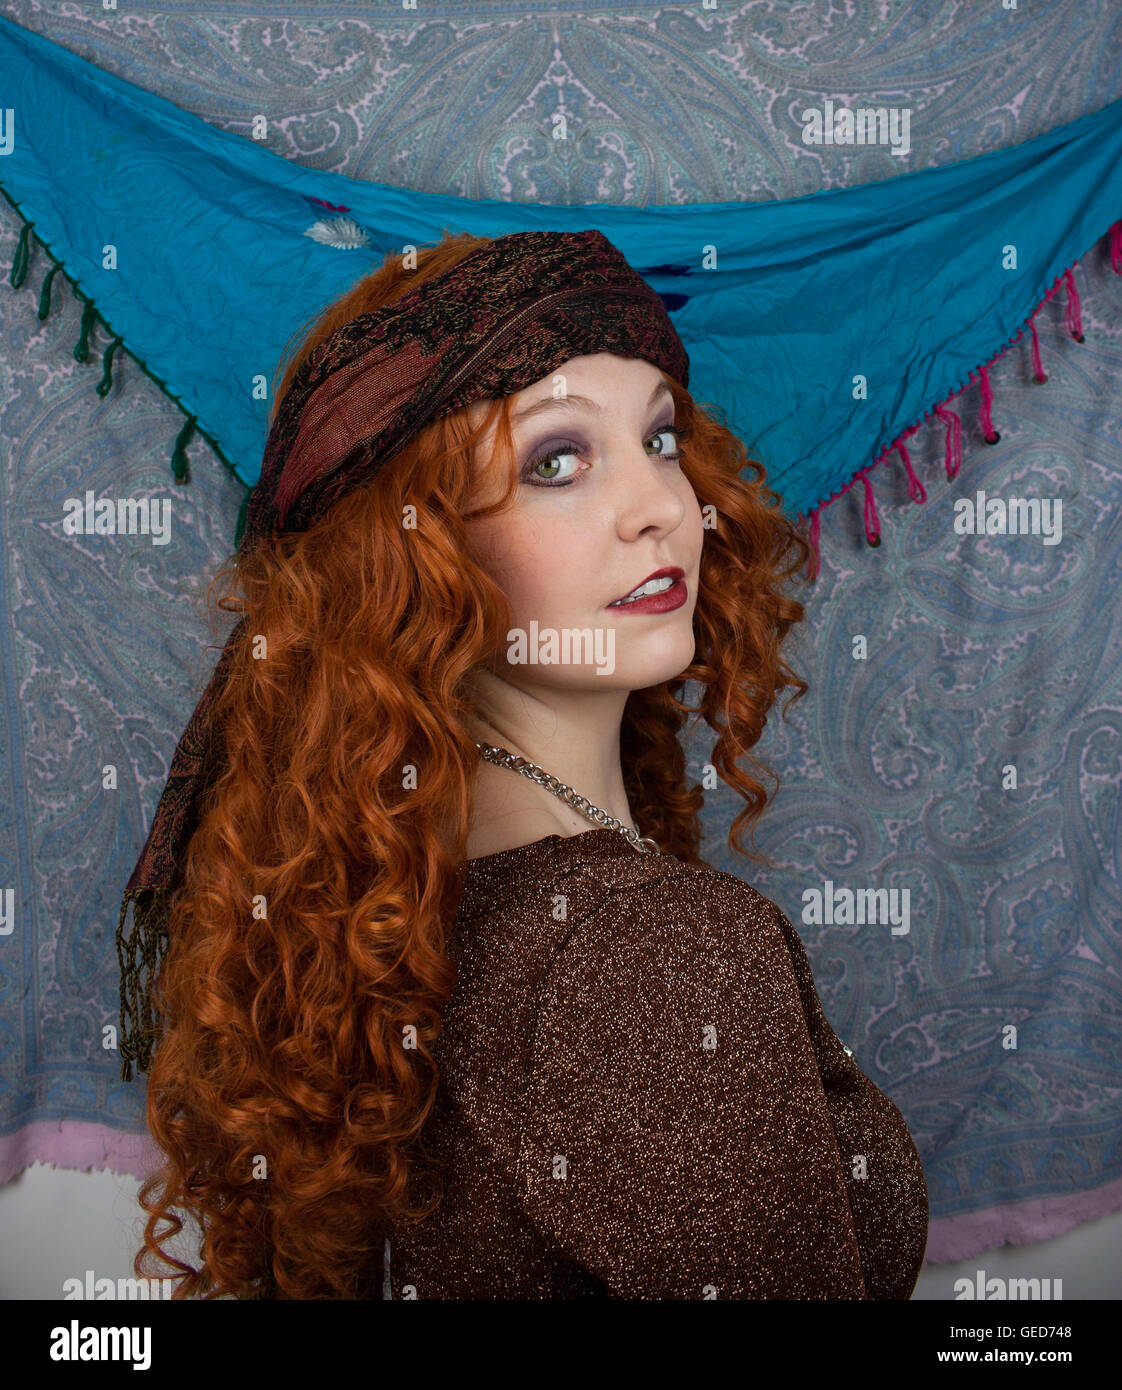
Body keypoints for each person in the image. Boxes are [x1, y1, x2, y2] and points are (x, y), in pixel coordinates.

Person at [116, 227, 928, 1300]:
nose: (661, 509)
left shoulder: (371, 923)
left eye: (661, 438)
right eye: (558, 460)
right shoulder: (649, 952)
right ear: (420, 553)